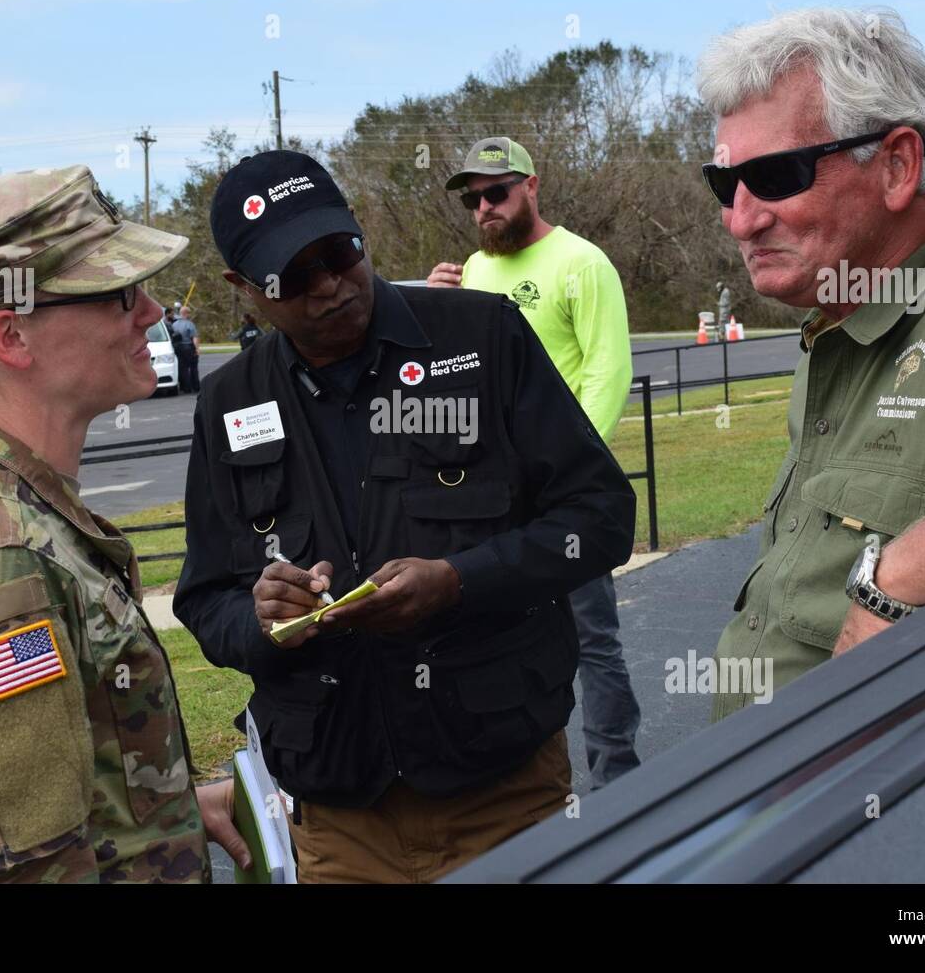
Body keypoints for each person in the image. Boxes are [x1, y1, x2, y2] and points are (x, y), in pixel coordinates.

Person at [174, 150, 636, 883]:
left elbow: (602, 516)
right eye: (294, 276)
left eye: (340, 253)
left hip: (502, 793)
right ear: (244, 289)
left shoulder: (482, 337)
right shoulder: (229, 402)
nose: (330, 286)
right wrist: (264, 621)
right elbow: (205, 599)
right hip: (338, 818)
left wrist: (460, 581)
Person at [0, 166, 247, 882]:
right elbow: (26, 868)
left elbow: (54, 796)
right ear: (12, 338)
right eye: (118, 294)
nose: (153, 311)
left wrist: (171, 808)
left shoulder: (24, 512)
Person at [698, 8, 925, 720]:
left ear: (898, 166)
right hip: (759, 792)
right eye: (726, 184)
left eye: (776, 175)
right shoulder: (838, 326)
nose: (741, 219)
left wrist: (901, 570)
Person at [427, 136, 641, 788]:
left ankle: (615, 780)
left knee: (593, 639)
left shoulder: (582, 262)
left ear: (531, 186)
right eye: (473, 198)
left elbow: (609, 370)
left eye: (497, 192)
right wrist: (433, 312)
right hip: (490, 501)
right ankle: (513, 776)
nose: (484, 207)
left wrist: (569, 470)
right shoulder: (474, 271)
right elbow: (454, 377)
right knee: (499, 638)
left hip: (559, 499)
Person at [172, 305, 201, 393]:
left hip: (178, 349)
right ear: (186, 313)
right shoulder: (189, 324)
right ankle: (196, 386)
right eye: (189, 313)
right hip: (188, 347)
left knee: (183, 369)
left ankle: (186, 387)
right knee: (193, 368)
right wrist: (197, 349)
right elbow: (194, 338)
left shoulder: (174, 324)